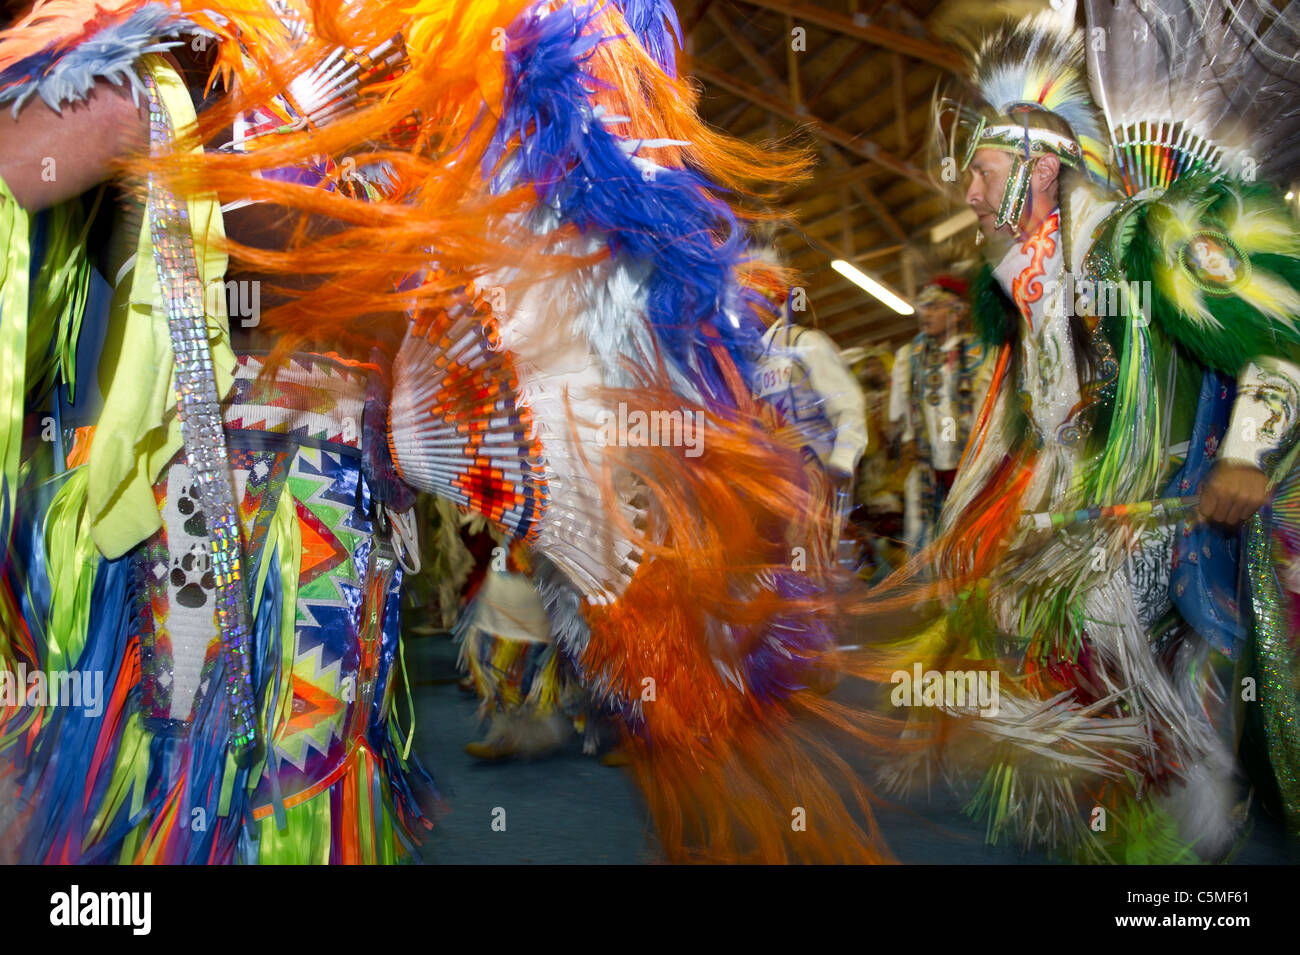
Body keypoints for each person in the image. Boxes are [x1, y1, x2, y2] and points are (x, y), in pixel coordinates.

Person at [0, 0, 892, 863]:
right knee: (174, 781)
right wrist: (180, 117)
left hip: (342, 508)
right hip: (196, 498)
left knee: (296, 785)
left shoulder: (433, 70)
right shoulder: (180, 38)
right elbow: (30, 161)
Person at [880, 0, 1300, 862]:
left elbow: (1277, 339)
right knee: (1014, 621)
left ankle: (1193, 816)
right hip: (1070, 500)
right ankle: (1155, 802)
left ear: (1039, 170)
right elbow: (1021, 416)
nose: (968, 191)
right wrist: (969, 514)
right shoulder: (1017, 287)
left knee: (1103, 628)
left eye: (984, 170)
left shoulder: (1147, 237)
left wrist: (1246, 456)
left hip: (1158, 500)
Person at [888, 275, 992, 551]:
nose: (926, 314)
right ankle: (934, 591)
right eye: (922, 307)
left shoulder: (982, 352)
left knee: (976, 533)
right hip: (927, 468)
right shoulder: (907, 356)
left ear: (957, 312)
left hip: (973, 461)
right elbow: (899, 417)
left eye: (935, 307)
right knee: (929, 539)